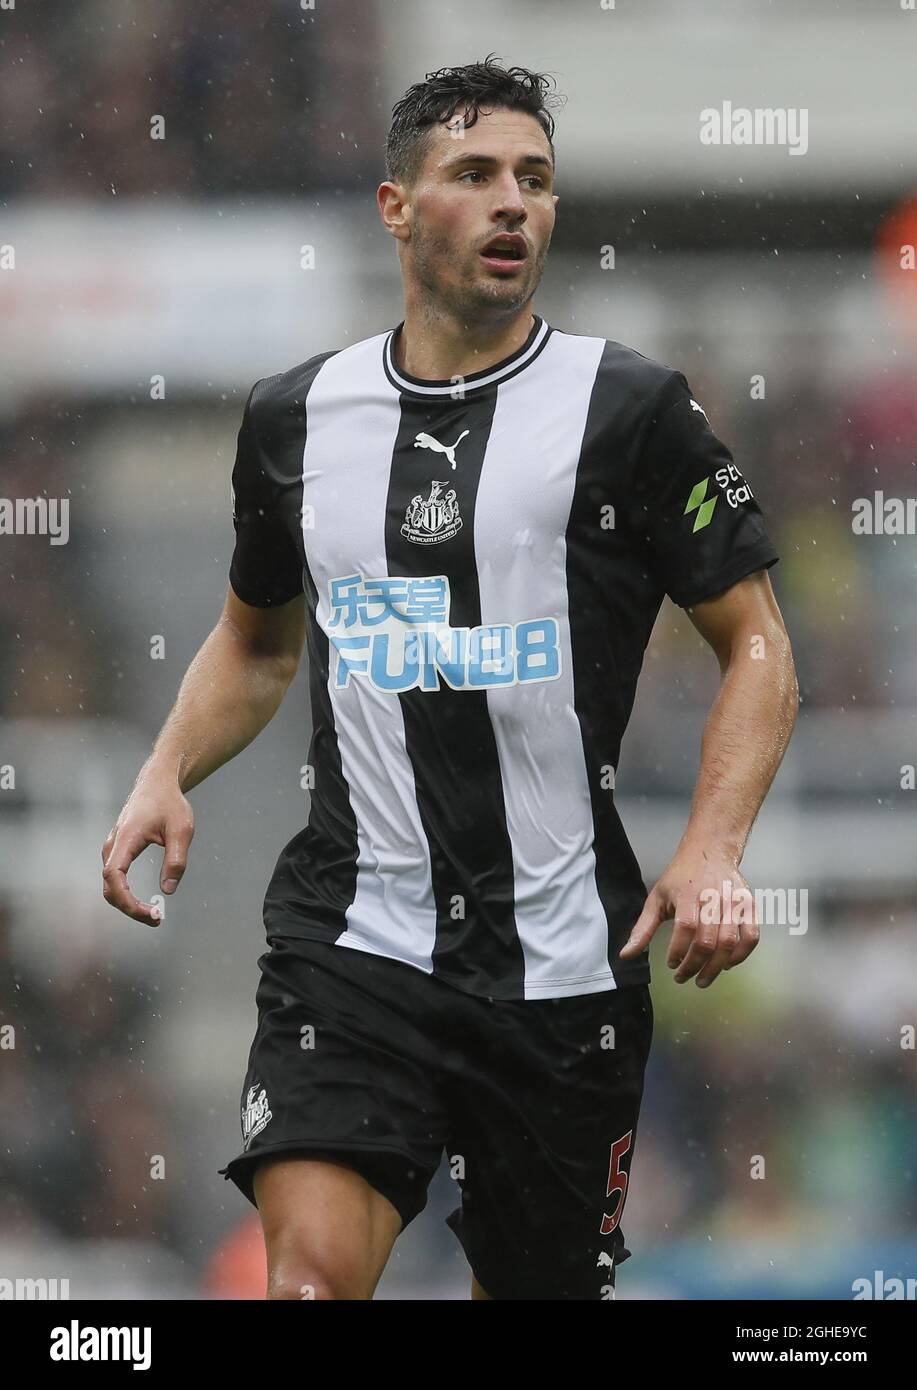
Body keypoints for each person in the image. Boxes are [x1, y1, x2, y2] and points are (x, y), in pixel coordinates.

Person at [101, 56, 799, 1300]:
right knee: (308, 1282)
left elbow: (757, 644)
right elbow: (256, 641)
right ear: (395, 206)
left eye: (533, 180)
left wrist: (712, 848)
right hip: (352, 938)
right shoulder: (293, 418)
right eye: (474, 175)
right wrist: (165, 768)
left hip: (564, 962)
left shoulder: (629, 409)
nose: (511, 204)